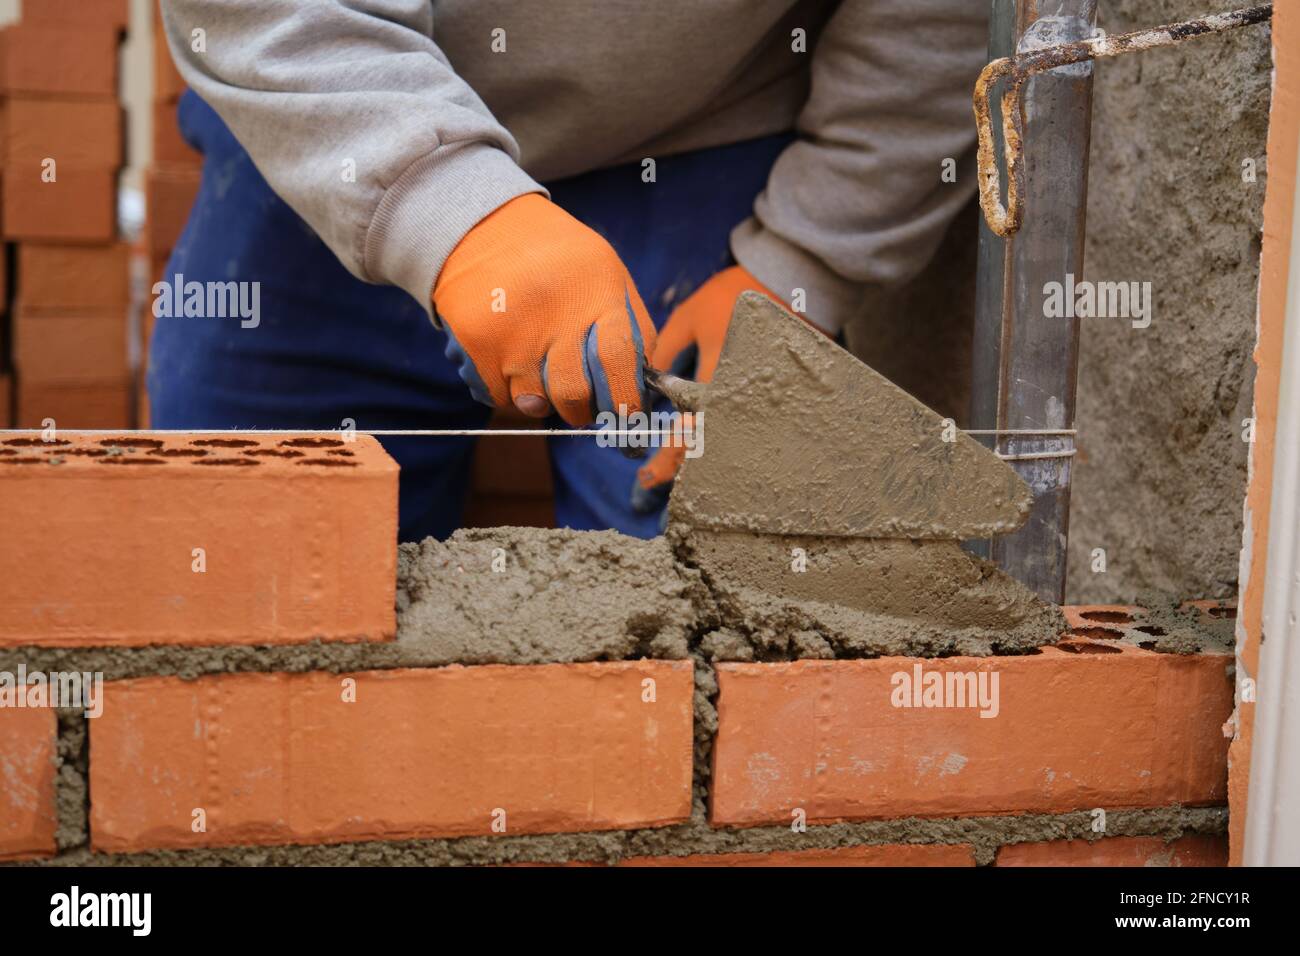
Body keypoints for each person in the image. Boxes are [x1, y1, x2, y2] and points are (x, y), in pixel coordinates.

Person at [153, 0, 986, 541]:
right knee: (242, 559)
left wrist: (802, 259)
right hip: (347, 108)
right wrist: (447, 208)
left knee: (707, 603)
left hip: (702, 134)